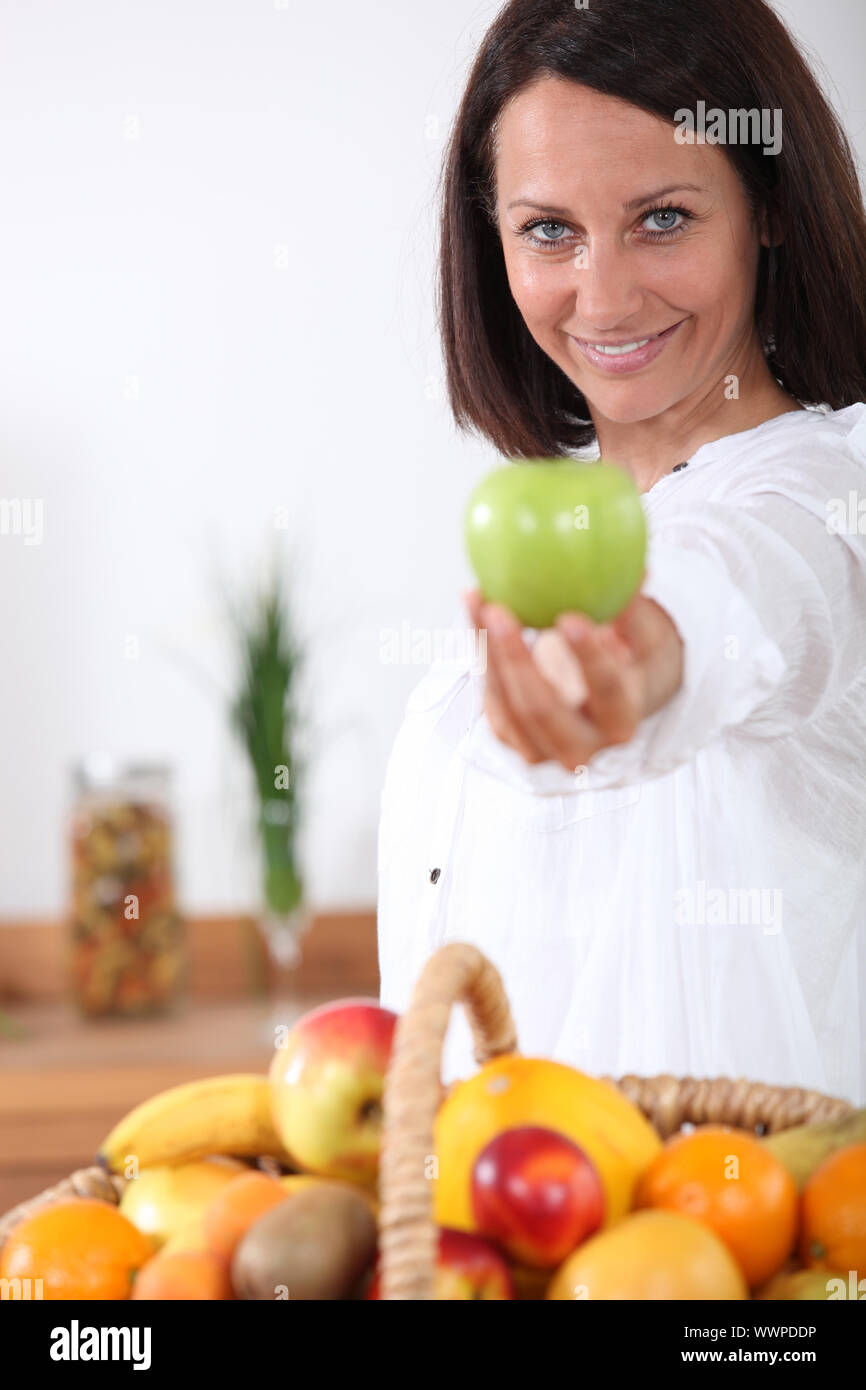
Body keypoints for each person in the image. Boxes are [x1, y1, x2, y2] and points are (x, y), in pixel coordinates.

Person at [377, 0, 866, 1104]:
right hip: (513, 1249)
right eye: (548, 230)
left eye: (660, 218)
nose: (601, 295)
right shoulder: (545, 551)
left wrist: (647, 661)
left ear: (768, 207)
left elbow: (748, 595)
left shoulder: (832, 493)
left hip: (743, 1250)